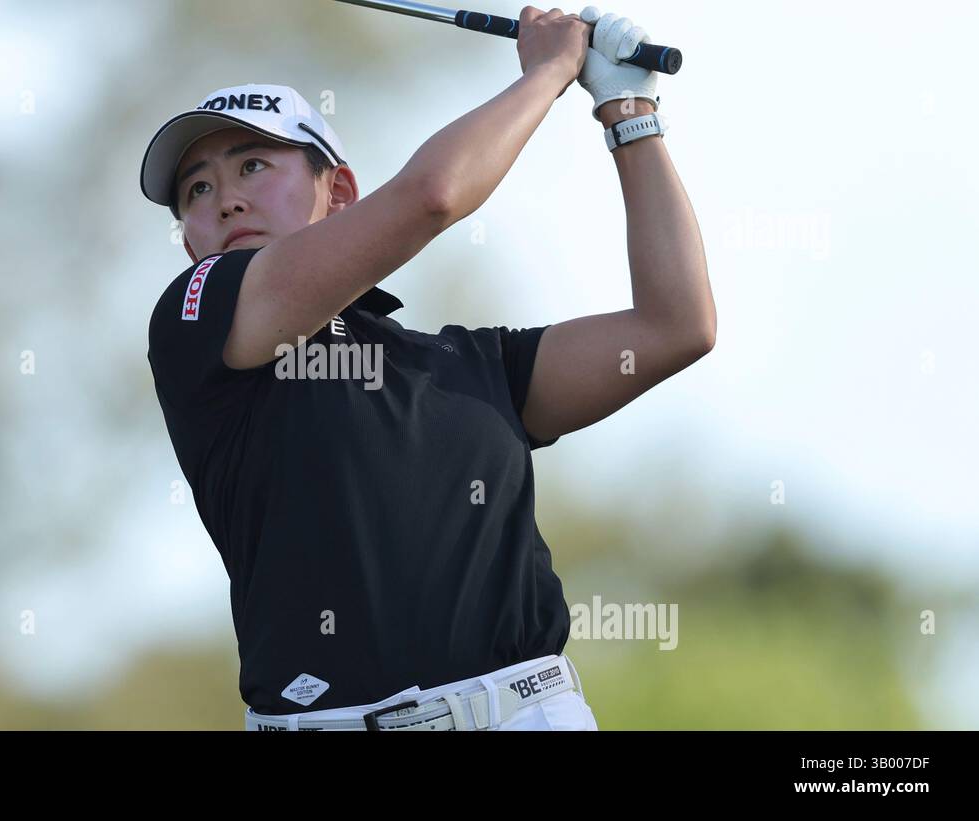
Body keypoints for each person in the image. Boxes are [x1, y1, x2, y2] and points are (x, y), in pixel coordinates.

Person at [139, 6, 714, 730]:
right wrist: (550, 71)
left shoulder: (474, 363)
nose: (226, 198)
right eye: (197, 190)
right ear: (189, 240)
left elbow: (676, 326)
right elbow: (434, 196)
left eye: (253, 165)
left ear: (338, 192)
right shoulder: (193, 320)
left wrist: (627, 113)